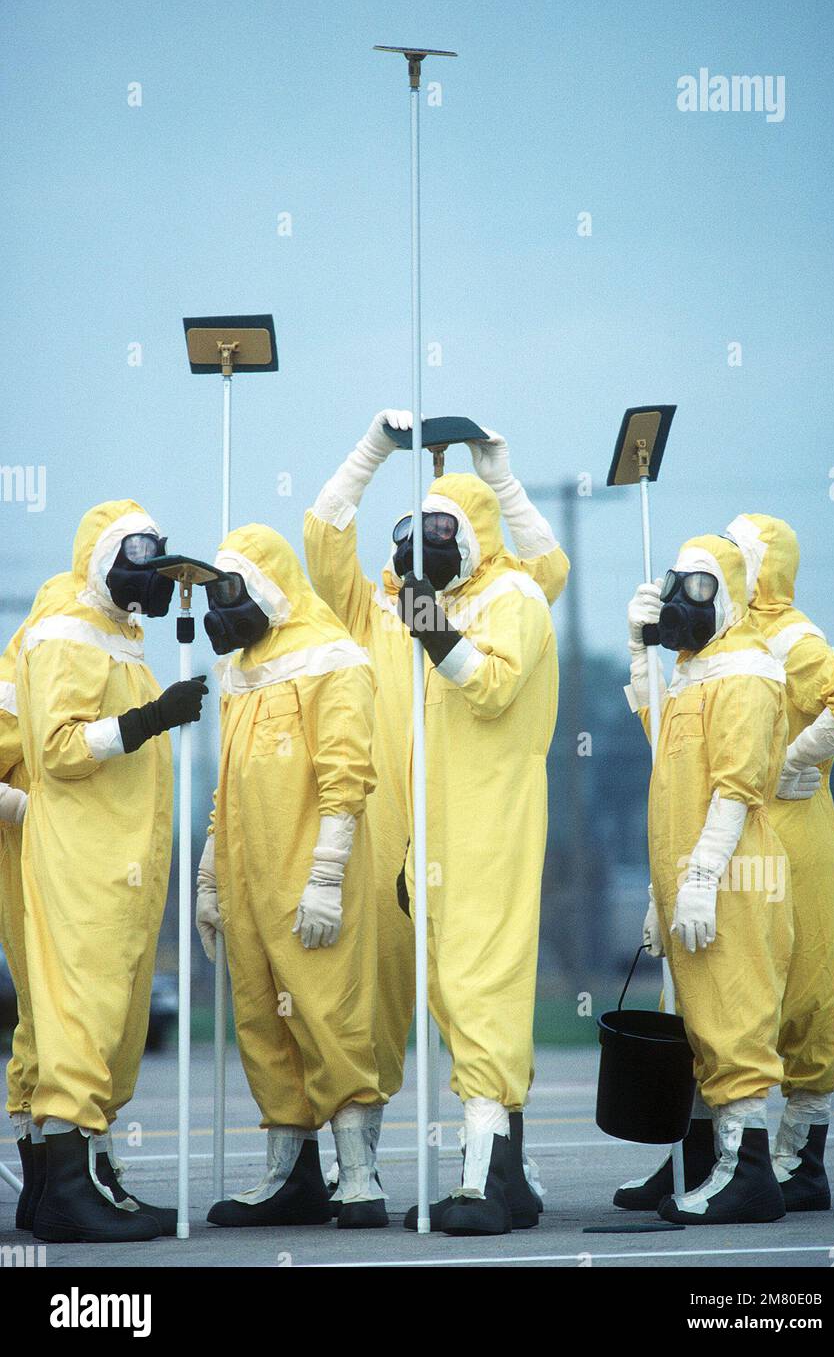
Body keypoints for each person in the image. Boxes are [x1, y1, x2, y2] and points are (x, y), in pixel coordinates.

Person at [304, 410, 568, 1225]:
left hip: (478, 819)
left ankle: (487, 1169)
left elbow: (511, 635)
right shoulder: (382, 602)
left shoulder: (507, 595)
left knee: (477, 977)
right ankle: (389, 1172)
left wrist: (500, 477)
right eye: (415, 529)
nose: (426, 543)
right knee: (415, 990)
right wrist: (373, 449)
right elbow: (320, 541)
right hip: (403, 822)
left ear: (477, 536)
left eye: (445, 529)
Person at [16, 501, 207, 1243]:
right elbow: (59, 749)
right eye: (146, 567)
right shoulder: (68, 631)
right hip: (83, 861)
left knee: (116, 1023)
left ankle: (87, 1179)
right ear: (105, 563)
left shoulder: (118, 634)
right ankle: (67, 1190)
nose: (157, 583)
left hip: (123, 859)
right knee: (82, 1016)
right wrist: (150, 719)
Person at [196, 524, 388, 1230]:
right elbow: (227, 786)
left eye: (231, 588)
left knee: (328, 1013)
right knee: (260, 1018)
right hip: (248, 882)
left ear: (270, 583)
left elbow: (347, 775)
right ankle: (290, 1176)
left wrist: (328, 876)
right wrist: (210, 878)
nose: (222, 604)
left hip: (310, 877)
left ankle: (359, 1175)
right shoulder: (239, 671)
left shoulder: (332, 656)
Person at [617, 534, 793, 1225]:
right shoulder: (696, 672)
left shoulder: (746, 670)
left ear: (726, 593)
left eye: (697, 586)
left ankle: (747, 1176)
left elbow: (736, 785)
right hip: (688, 879)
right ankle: (721, 1165)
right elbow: (662, 742)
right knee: (704, 1025)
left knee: (734, 1019)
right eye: (673, 584)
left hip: (732, 879)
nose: (679, 599)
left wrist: (700, 878)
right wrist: (640, 653)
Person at [724, 513, 834, 1210]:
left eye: (737, 551)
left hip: (800, 838)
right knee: (730, 987)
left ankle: (801, 1160)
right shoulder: (729, 631)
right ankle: (713, 1154)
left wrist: (794, 759)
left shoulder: (790, 634)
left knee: (810, 988)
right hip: (743, 833)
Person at [0, 572, 71, 1230]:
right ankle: (48, 1180)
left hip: (68, 873)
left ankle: (61, 1179)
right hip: (30, 871)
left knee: (58, 1019)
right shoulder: (26, 668)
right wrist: (34, 813)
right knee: (42, 1018)